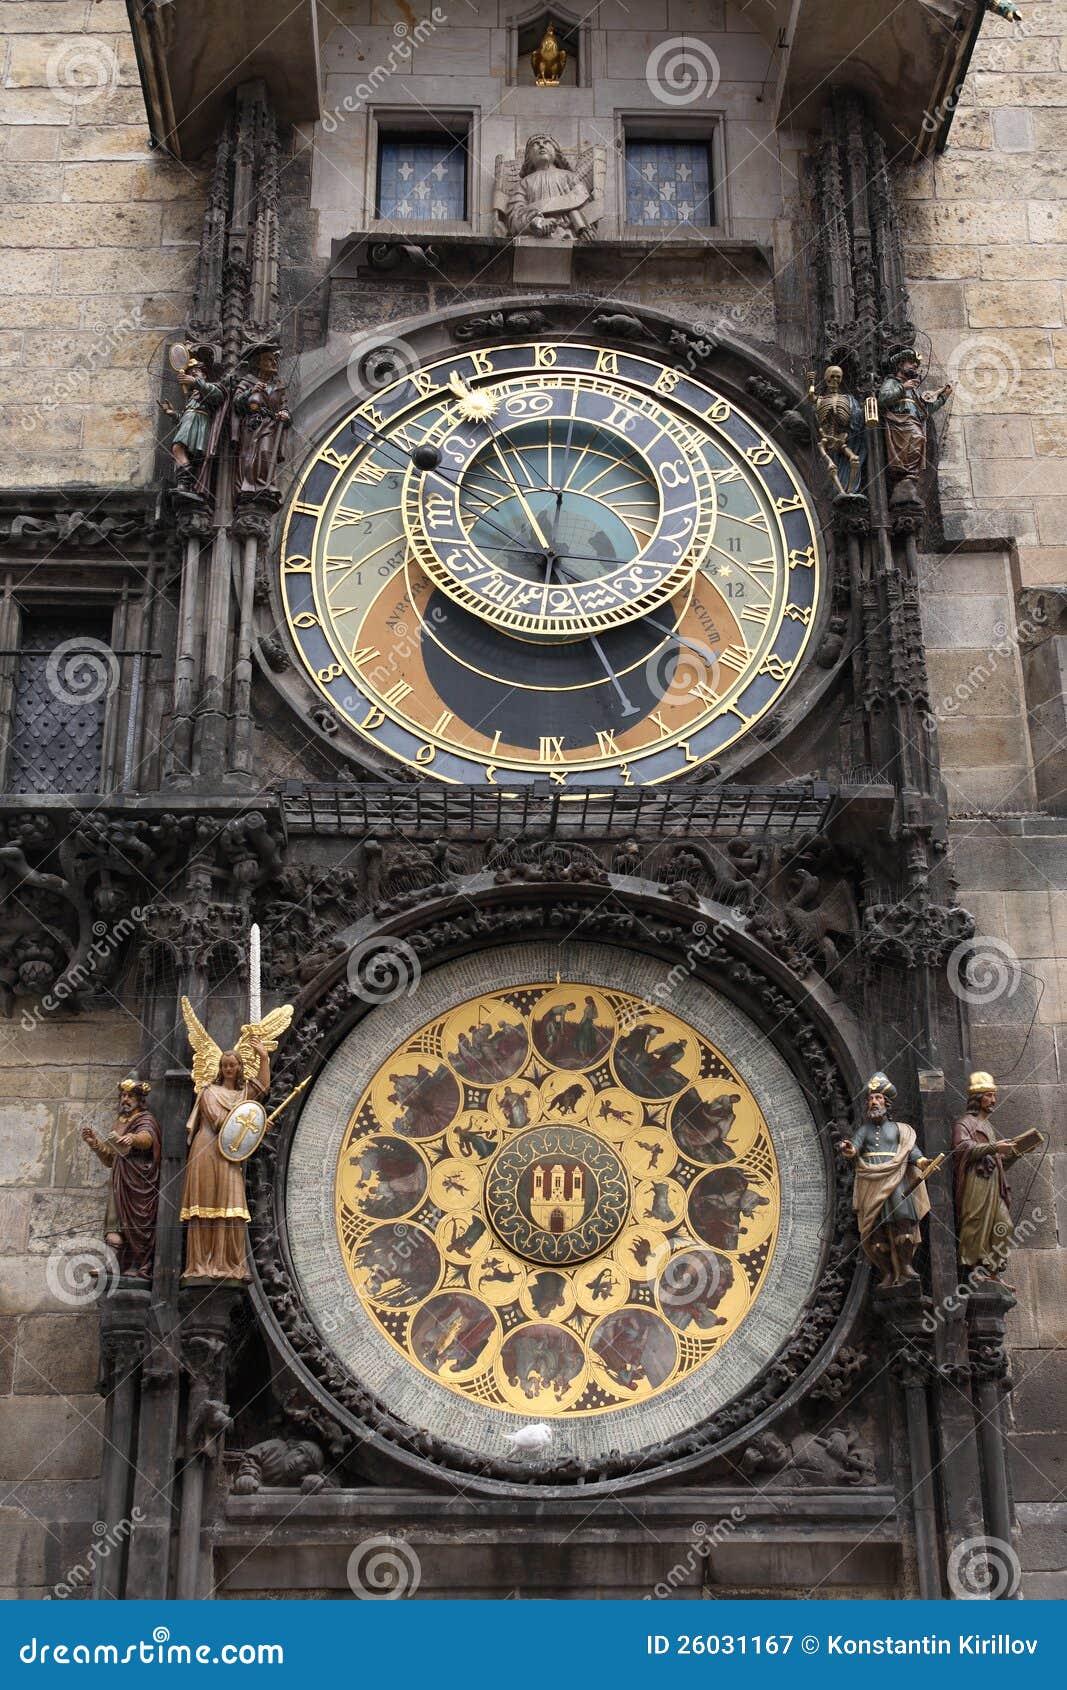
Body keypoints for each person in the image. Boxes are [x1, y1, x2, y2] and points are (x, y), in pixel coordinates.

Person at [180, 1039, 269, 1281]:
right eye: (225, 1065)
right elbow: (221, 1122)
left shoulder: (242, 1094)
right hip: (207, 1150)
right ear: (220, 1069)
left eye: (233, 1065)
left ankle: (229, 1264)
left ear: (240, 1068)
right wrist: (255, 1124)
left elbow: (261, 1088)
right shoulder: (210, 1092)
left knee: (232, 1206)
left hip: (229, 1155)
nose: (229, 1069)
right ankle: (201, 1264)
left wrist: (264, 1057)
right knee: (205, 1204)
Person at [839, 1072, 936, 1287]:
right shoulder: (864, 1130)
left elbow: (911, 1150)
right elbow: (853, 1148)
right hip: (871, 1181)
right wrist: (848, 1148)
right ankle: (888, 1271)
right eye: (871, 1099)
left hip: (896, 1181)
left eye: (878, 1098)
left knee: (903, 1226)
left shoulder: (900, 1130)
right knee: (875, 1232)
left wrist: (921, 1163)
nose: (874, 1102)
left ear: (887, 1103)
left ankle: (905, 1266)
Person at [952, 1070, 1037, 1283]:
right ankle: (976, 1268)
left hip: (993, 1183)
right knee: (976, 1221)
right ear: (977, 1098)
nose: (993, 1100)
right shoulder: (965, 1123)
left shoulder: (988, 1127)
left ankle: (992, 1269)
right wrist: (993, 1147)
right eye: (989, 1095)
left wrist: (1017, 1152)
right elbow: (962, 1148)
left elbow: (997, 1161)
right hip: (976, 1182)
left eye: (993, 1095)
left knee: (1004, 1226)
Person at [82, 1078, 161, 1280]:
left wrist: (133, 1138)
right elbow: (110, 1158)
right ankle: (111, 1265)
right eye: (123, 1096)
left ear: (139, 1100)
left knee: (137, 1224)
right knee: (114, 1222)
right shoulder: (119, 1122)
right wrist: (95, 1144)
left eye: (130, 1096)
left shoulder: (145, 1118)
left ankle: (139, 1264)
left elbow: (148, 1138)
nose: (125, 1100)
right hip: (119, 1178)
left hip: (138, 1180)